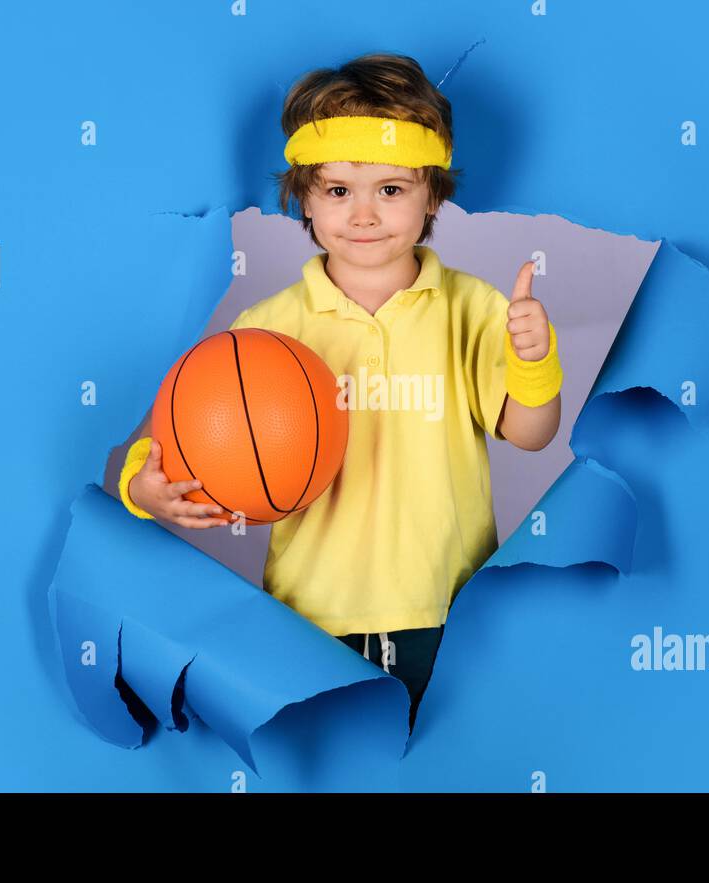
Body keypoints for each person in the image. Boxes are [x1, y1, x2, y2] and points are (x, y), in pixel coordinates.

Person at [118, 53, 563, 731]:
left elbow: (532, 434)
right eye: (337, 191)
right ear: (301, 194)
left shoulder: (472, 308)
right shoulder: (262, 330)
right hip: (306, 618)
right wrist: (140, 490)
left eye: (391, 190)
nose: (363, 215)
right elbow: (161, 443)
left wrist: (534, 360)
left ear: (435, 194)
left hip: (450, 615)